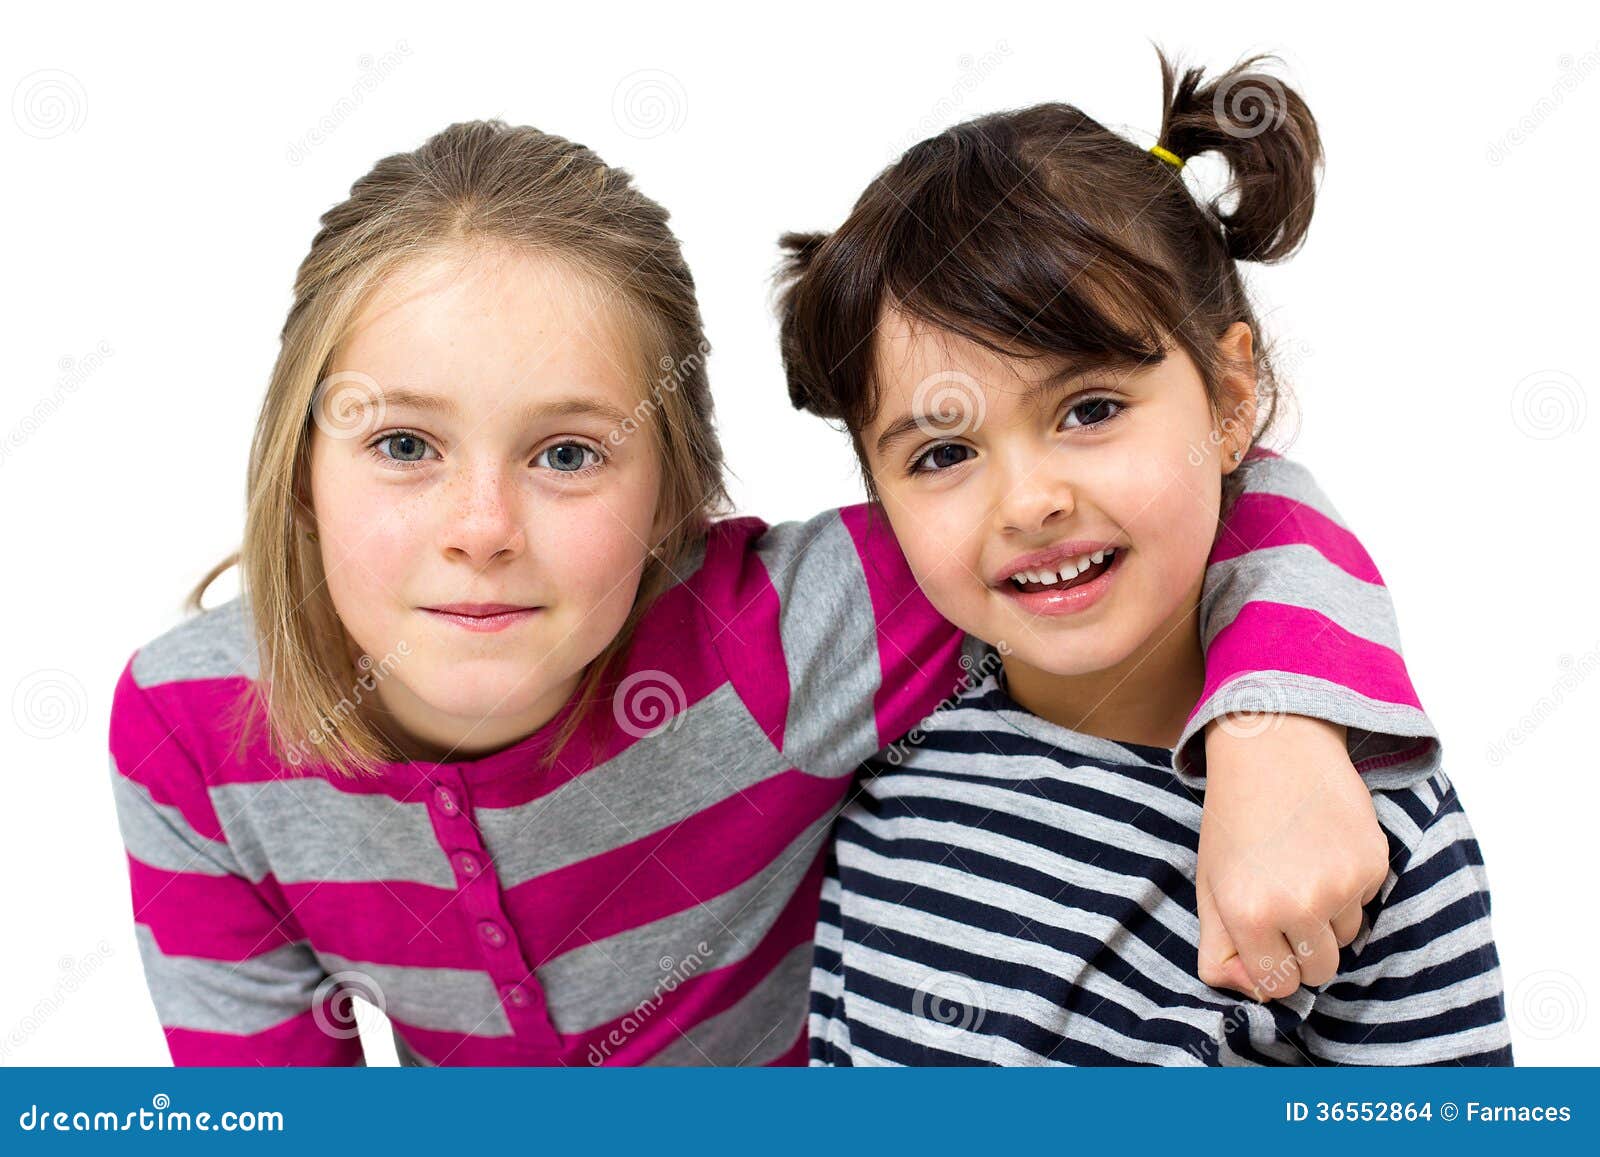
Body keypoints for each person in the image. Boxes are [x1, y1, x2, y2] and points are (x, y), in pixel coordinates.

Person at [112, 116, 1437, 1066]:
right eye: (403, 445)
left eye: (569, 454)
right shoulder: (192, 735)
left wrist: (1278, 730)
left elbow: (1170, 496)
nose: (481, 529)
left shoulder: (782, 639)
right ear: (298, 466)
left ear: (678, 498)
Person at [778, 49, 1511, 1064]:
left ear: (1226, 394)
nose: (1029, 500)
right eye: (943, 452)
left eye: (1090, 408)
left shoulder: (1369, 815)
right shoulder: (875, 723)